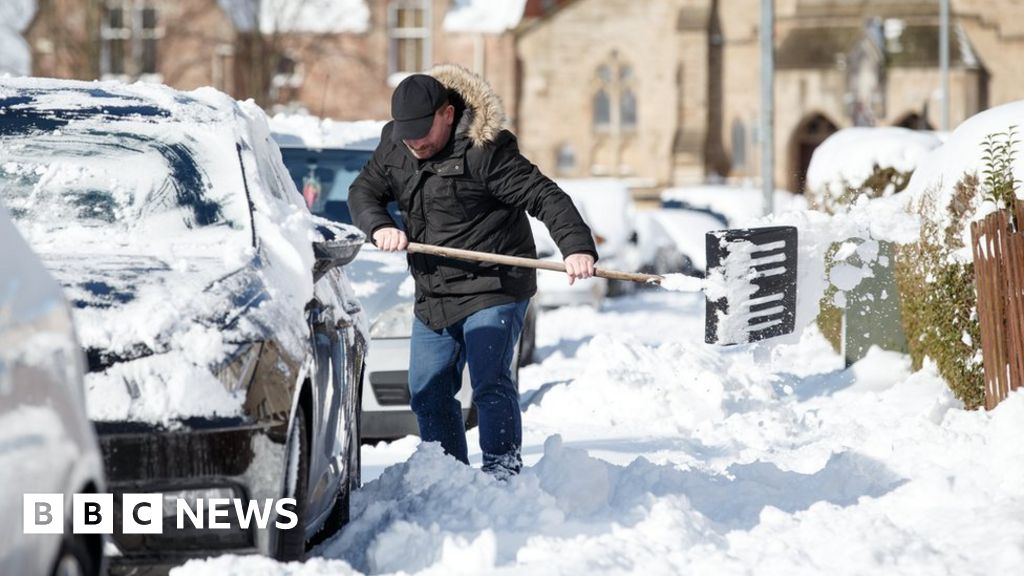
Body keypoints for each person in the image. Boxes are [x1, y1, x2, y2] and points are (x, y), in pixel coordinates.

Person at [349, 64, 597, 479]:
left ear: (447, 114)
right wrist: (379, 225)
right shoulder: (395, 148)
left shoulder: (485, 151)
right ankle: (448, 475)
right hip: (435, 290)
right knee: (427, 390)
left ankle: (502, 471)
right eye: (407, 134)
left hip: (494, 284)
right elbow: (363, 191)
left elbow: (544, 196)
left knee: (489, 383)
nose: (415, 143)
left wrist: (576, 247)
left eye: (422, 132)